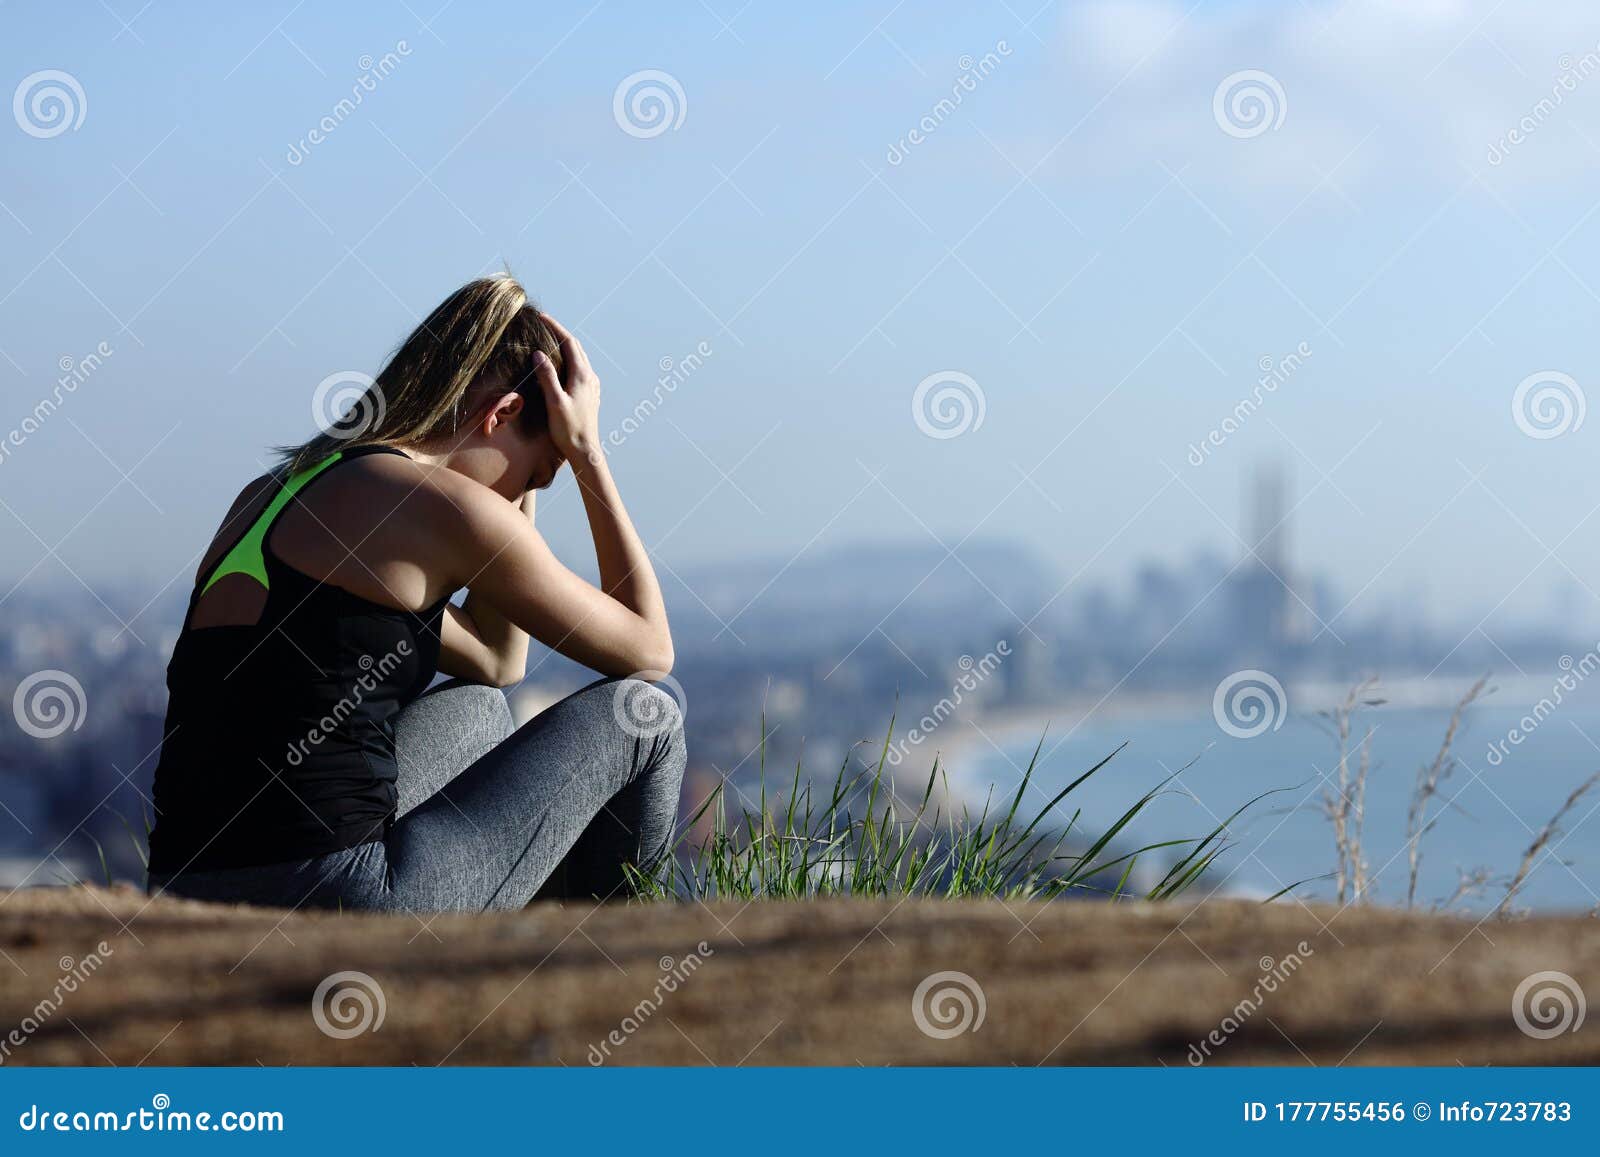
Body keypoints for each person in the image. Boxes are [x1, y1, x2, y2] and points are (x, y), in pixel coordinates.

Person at [144, 275, 684, 912]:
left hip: (186, 892)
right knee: (649, 716)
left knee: (480, 711)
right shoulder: (442, 509)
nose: (517, 501)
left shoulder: (275, 493)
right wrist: (586, 451)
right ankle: (608, 977)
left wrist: (523, 477)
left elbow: (496, 662)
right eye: (537, 474)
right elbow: (650, 651)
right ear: (502, 413)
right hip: (337, 898)